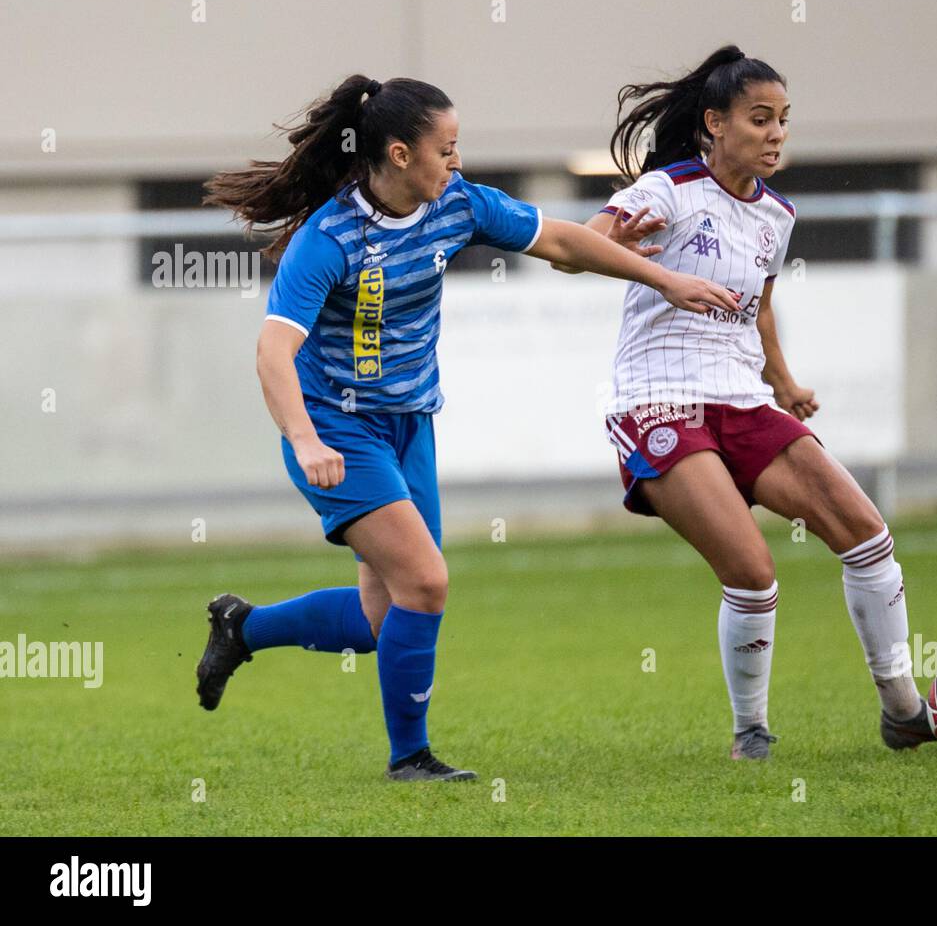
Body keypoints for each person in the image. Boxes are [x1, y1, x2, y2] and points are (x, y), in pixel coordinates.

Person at [197, 75, 739, 782]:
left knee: (379, 619)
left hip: (410, 425)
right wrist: (305, 438)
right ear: (397, 154)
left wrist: (662, 278)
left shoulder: (458, 205)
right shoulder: (328, 239)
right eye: (445, 150)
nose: (456, 163)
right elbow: (273, 351)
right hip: (337, 429)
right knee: (424, 583)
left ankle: (243, 628)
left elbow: (565, 243)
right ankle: (410, 759)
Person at [557, 46, 935, 759]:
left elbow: (760, 308)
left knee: (867, 535)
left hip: (744, 400)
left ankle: (903, 707)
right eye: (760, 119)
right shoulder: (667, 190)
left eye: (784, 121)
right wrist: (637, 255)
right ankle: (751, 732)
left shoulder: (776, 215)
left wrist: (785, 384)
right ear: (715, 123)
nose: (775, 134)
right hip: (659, 401)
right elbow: (575, 249)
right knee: (753, 572)